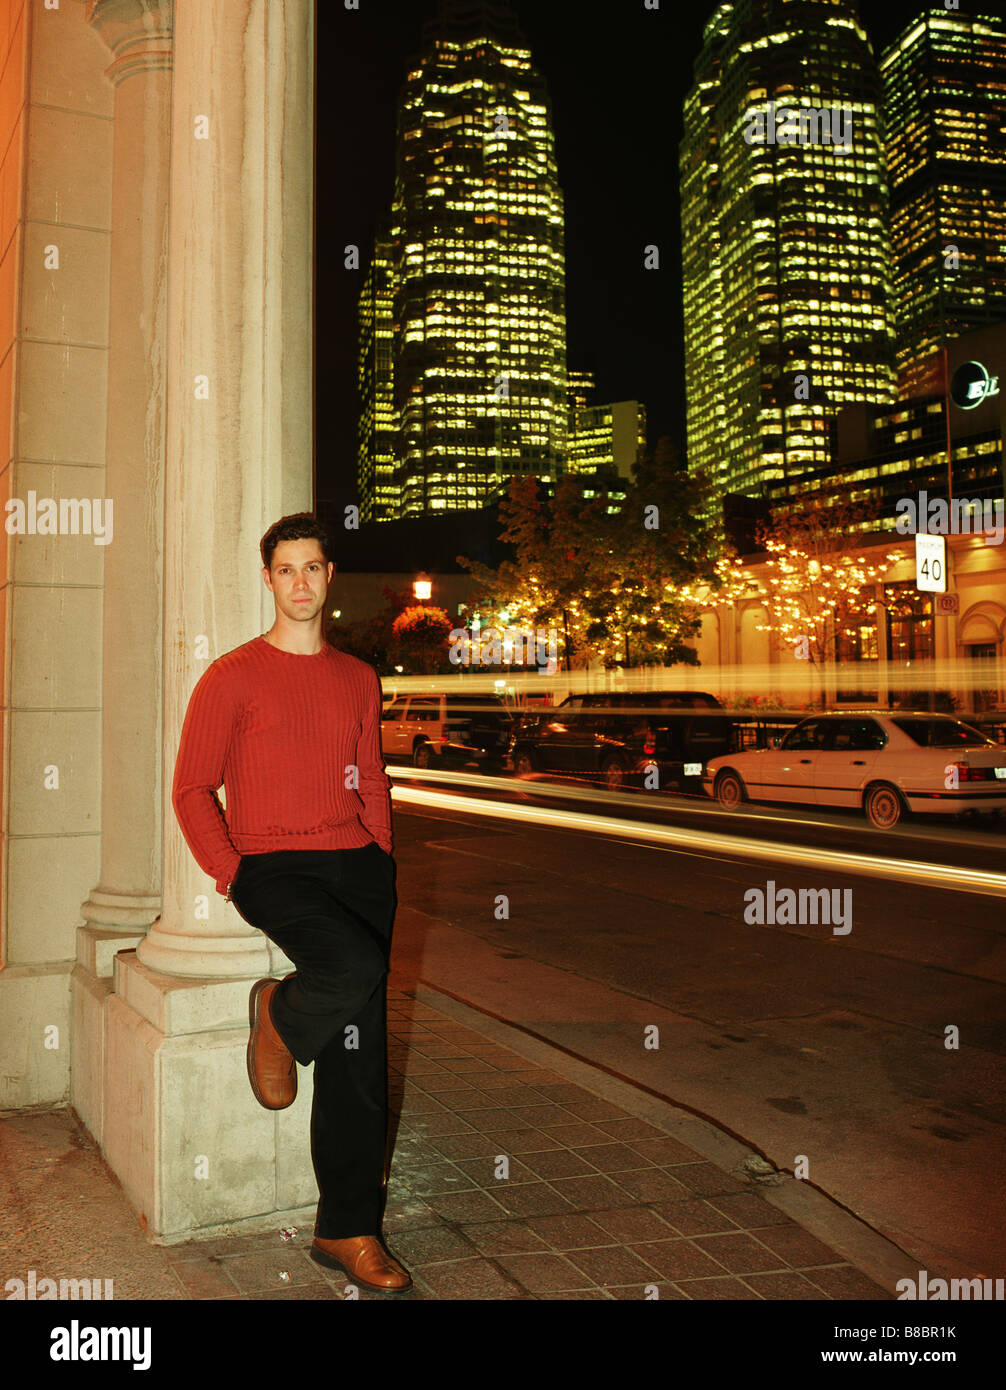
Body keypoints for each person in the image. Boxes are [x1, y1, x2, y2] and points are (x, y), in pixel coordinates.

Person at [171, 512, 412, 1294]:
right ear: (268, 579)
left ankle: (347, 1227)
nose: (300, 582)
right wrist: (230, 870)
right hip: (274, 864)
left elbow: (369, 773)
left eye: (313, 568)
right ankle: (275, 1013)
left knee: (360, 1060)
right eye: (286, 570)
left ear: (328, 576)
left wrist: (381, 850)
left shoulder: (357, 678)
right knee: (352, 967)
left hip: (359, 863)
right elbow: (191, 787)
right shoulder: (233, 675)